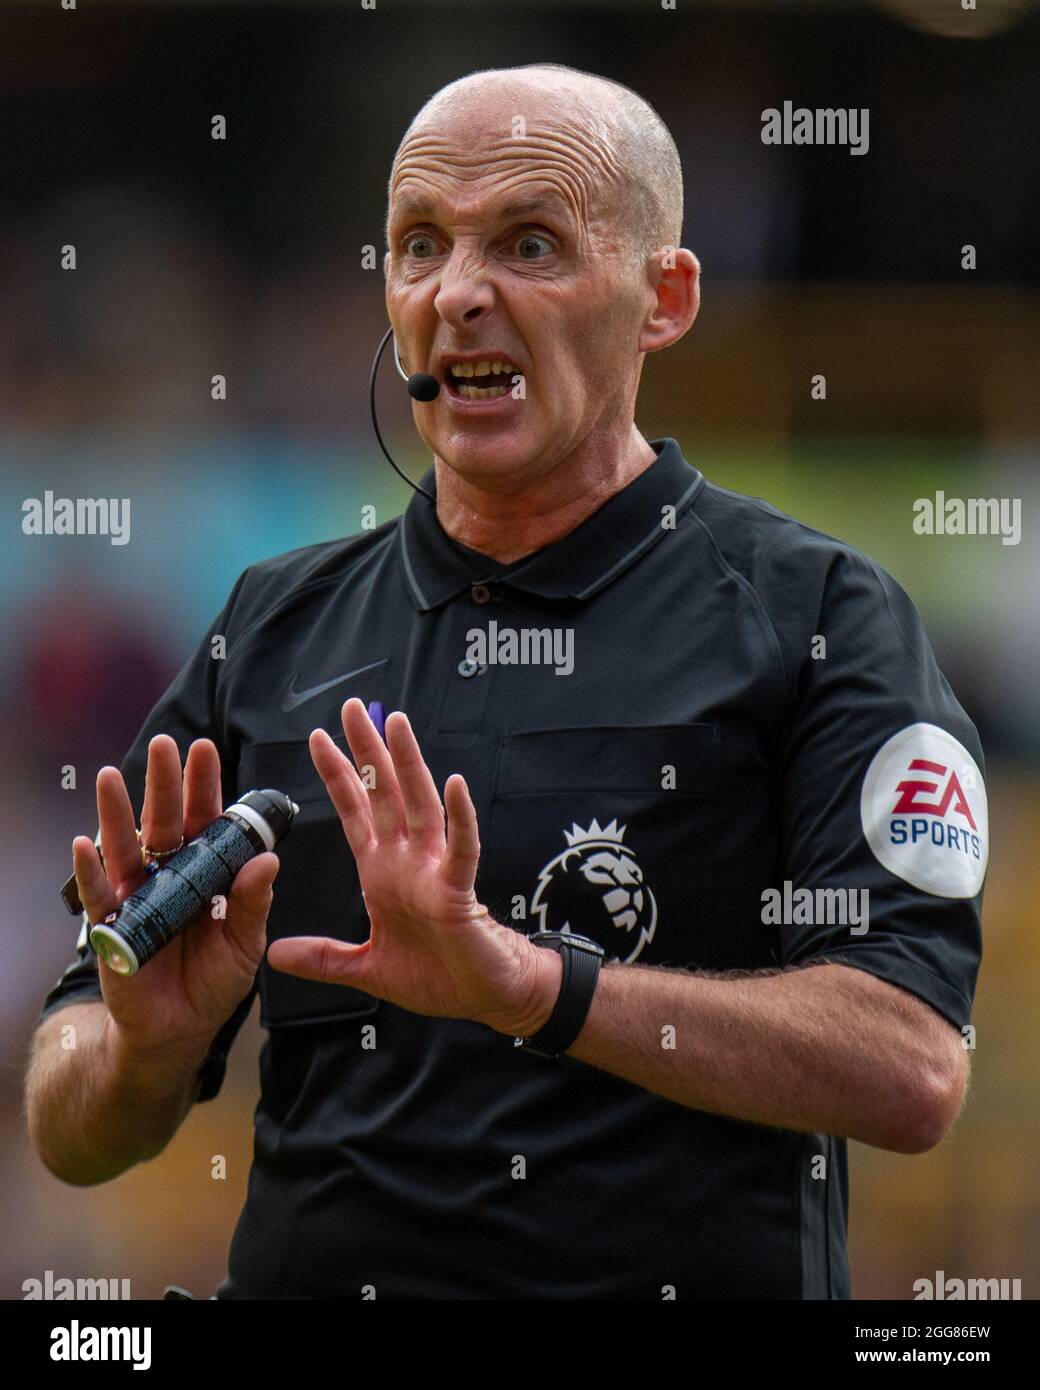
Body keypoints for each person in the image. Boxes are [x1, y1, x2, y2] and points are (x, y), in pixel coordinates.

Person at [25, 63, 986, 1299]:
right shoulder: (273, 626)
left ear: (664, 296)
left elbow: (910, 1066)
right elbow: (72, 1120)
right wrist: (139, 1053)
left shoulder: (818, 618)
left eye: (529, 244)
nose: (459, 294)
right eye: (418, 246)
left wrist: (537, 987)